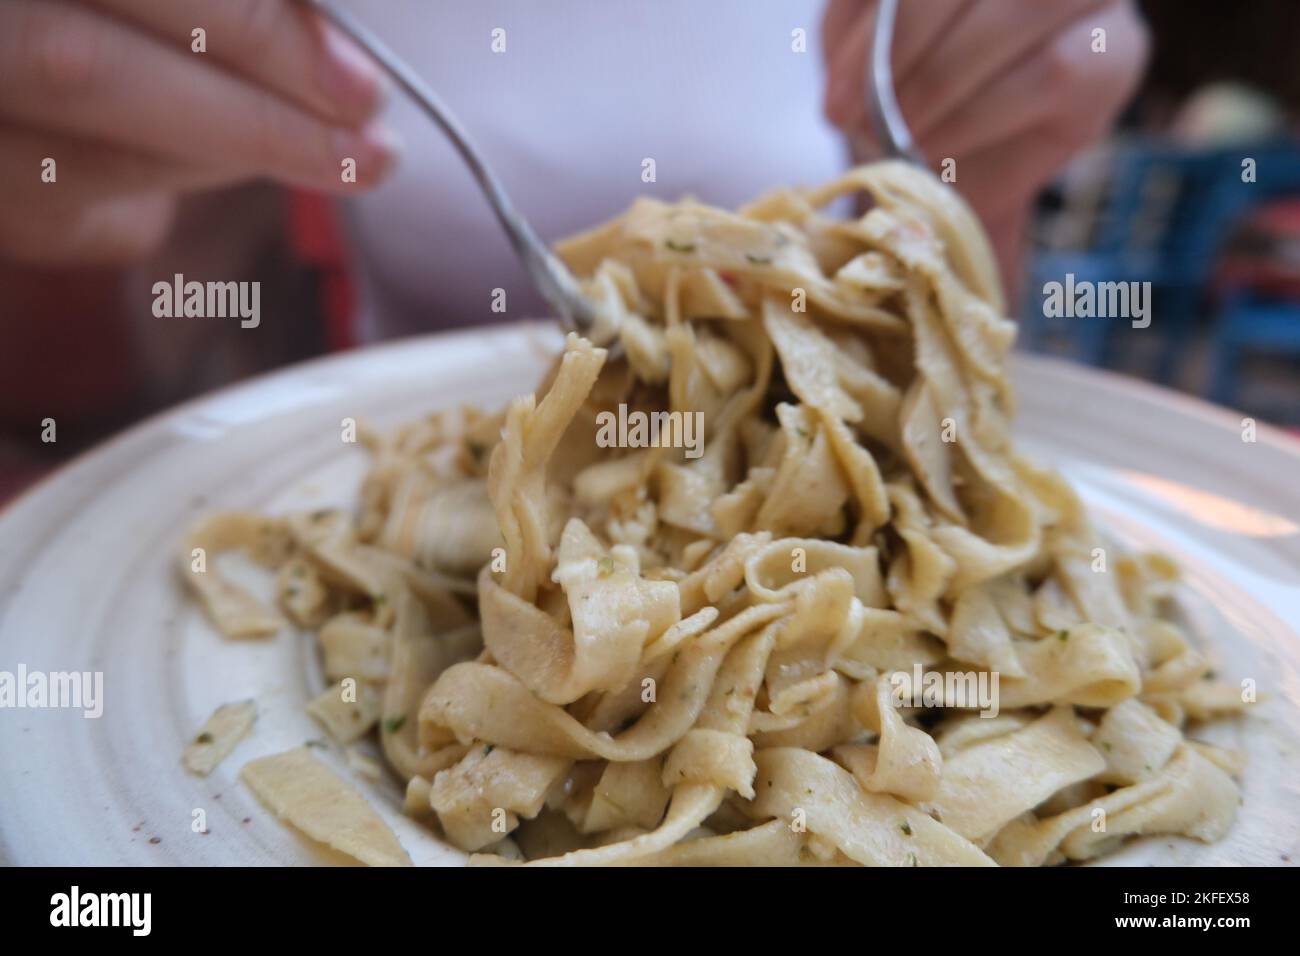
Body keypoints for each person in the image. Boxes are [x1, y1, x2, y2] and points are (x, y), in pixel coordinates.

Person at [0, 0, 1147, 489]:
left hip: (845, 452)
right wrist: (56, 193)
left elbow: (956, 360)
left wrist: (1000, 133)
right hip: (383, 472)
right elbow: (100, 382)